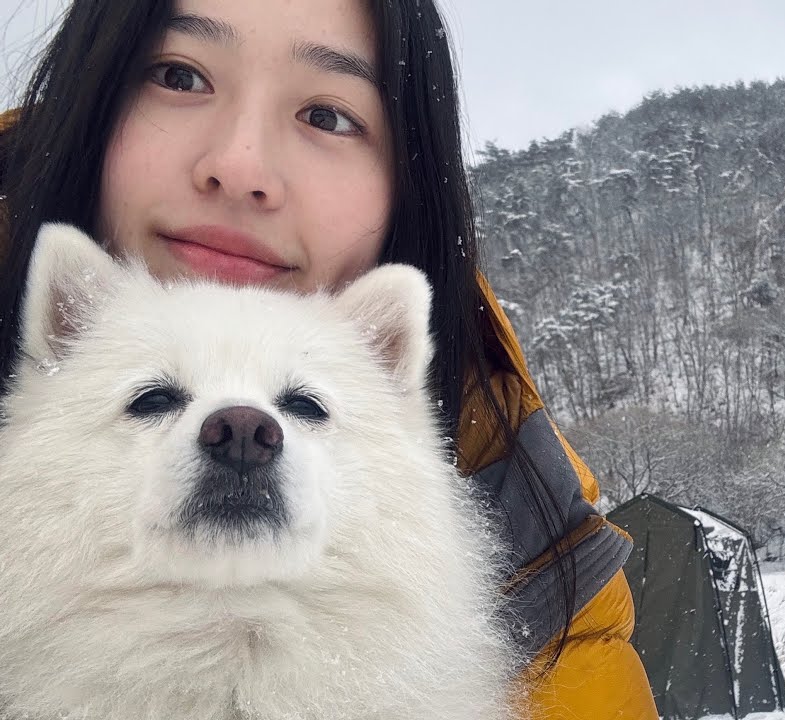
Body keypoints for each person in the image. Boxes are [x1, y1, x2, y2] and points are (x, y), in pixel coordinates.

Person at [0, 1, 659, 718]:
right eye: (179, 75)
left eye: (326, 116)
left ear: (410, 177)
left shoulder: (565, 612)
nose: (241, 167)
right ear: (80, 96)